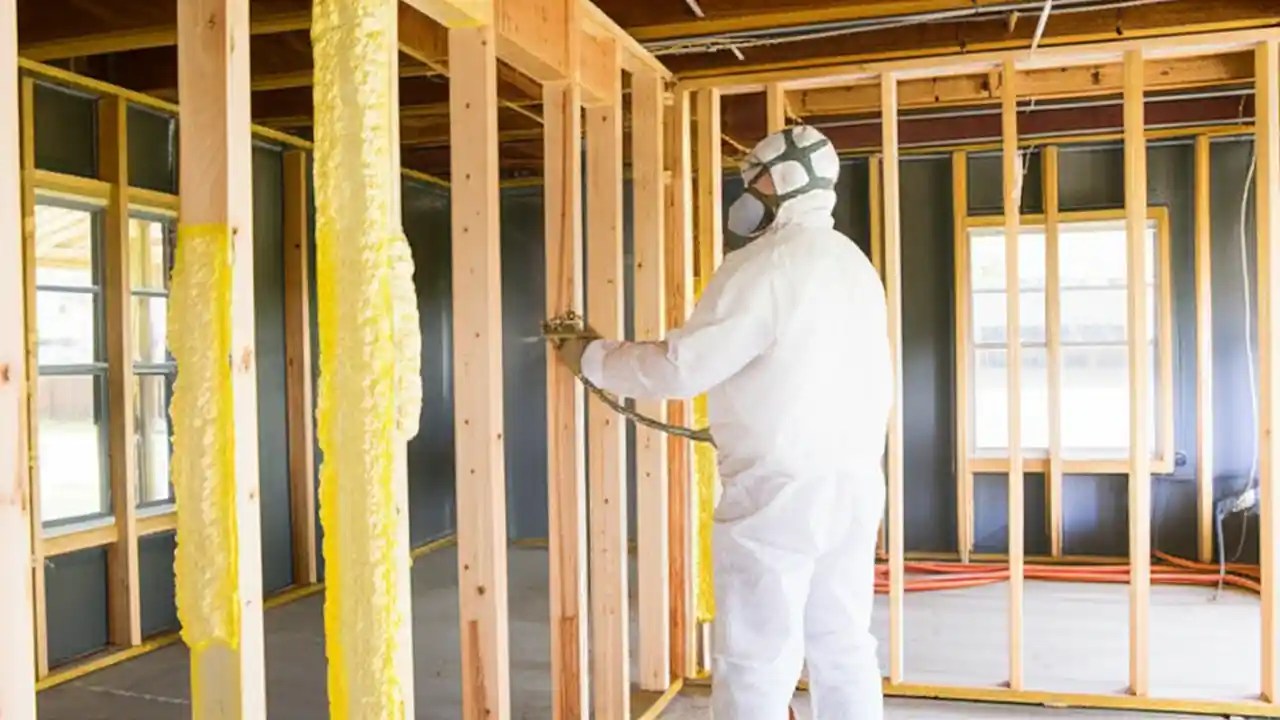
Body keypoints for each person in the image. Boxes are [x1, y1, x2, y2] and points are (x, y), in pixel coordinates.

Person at [556, 125, 892, 720]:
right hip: (854, 483)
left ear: (784, 180)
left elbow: (681, 368)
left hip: (777, 491)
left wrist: (591, 355)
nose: (747, 191)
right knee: (842, 640)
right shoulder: (853, 263)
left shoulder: (764, 265)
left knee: (757, 654)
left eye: (755, 178)